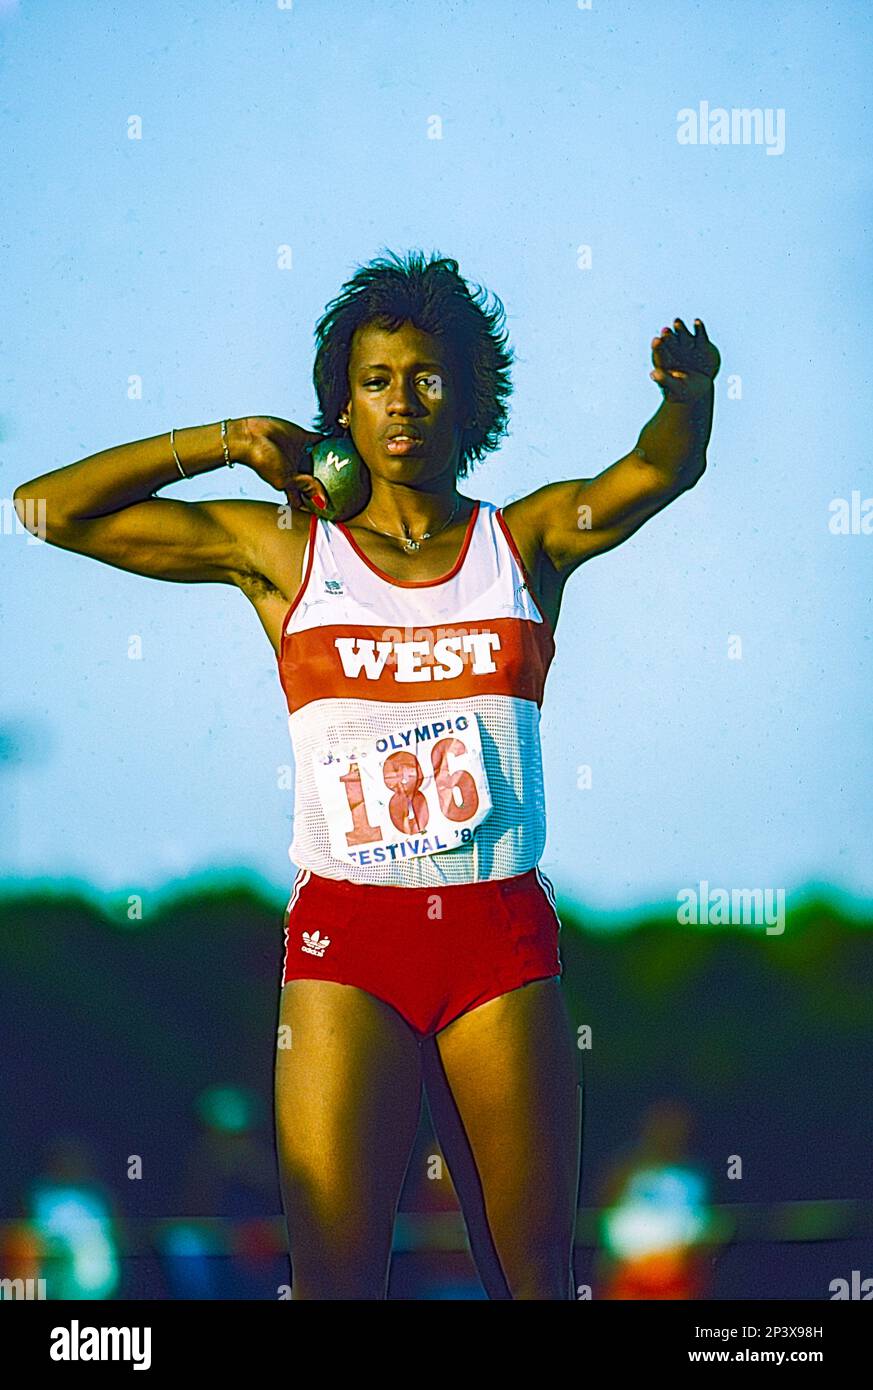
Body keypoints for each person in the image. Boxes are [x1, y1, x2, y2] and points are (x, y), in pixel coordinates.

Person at [13, 250, 719, 1300]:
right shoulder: (288, 553)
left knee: (533, 1278)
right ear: (342, 401)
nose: (404, 402)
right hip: (349, 939)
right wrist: (224, 441)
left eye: (429, 378)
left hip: (498, 938)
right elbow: (44, 507)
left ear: (467, 399)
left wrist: (687, 395)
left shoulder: (522, 542)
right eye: (379, 378)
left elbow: (660, 470)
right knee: (336, 1281)